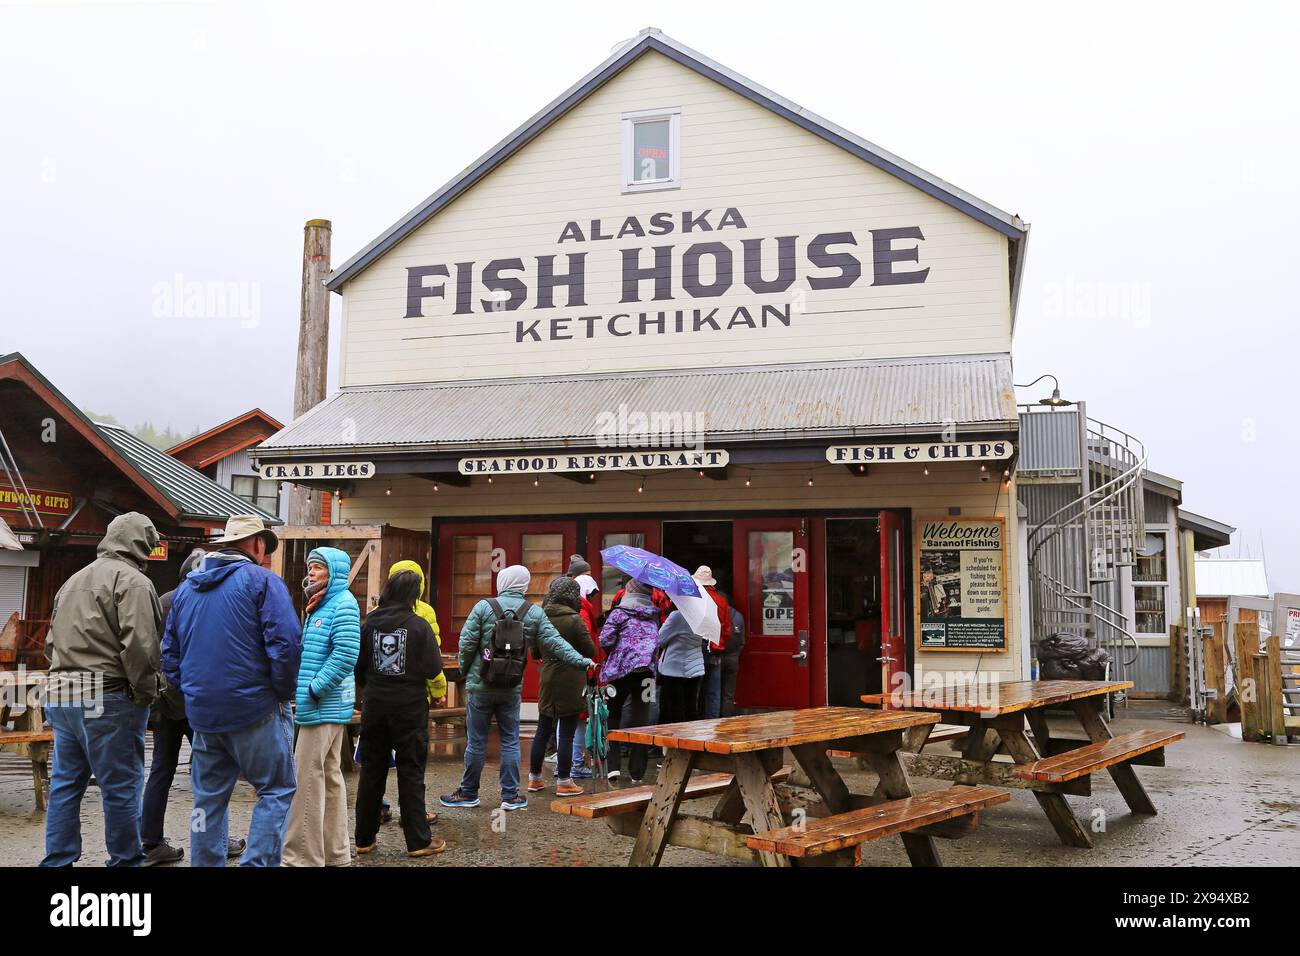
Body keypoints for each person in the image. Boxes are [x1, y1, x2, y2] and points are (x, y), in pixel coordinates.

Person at [161, 515, 302, 867]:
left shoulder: (187, 590)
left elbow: (169, 653)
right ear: (257, 545)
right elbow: (285, 644)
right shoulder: (263, 582)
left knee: (207, 800)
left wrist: (190, 694)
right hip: (255, 708)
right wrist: (282, 692)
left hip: (204, 714)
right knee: (276, 790)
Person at [42, 512, 162, 867]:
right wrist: (145, 694)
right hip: (106, 695)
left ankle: (58, 861)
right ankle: (125, 862)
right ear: (141, 543)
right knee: (121, 786)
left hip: (62, 693)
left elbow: (51, 644)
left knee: (65, 784)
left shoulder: (72, 581)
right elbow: (141, 648)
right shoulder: (133, 582)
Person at [441, 565, 594, 810]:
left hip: (480, 687)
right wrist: (583, 661)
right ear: (524, 585)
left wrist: (464, 670)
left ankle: (469, 792)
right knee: (511, 740)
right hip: (511, 687)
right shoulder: (533, 613)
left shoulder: (483, 607)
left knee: (477, 741)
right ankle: (510, 796)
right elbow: (555, 643)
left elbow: (467, 642)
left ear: (502, 582)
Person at [140, 548, 245, 866]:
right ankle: (218, 841)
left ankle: (151, 841)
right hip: (196, 700)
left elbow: (149, 648)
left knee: (161, 769)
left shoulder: (162, 600)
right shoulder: (203, 599)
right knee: (212, 774)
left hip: (162, 699)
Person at [354, 570, 445, 856]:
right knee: (411, 771)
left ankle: (363, 839)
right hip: (409, 708)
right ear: (414, 595)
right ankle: (418, 841)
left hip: (375, 706)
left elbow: (359, 668)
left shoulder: (369, 624)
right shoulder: (418, 625)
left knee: (371, 771)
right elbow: (433, 668)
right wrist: (439, 692)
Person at [283, 547, 361, 868]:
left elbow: (345, 654)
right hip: (321, 706)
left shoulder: (342, 604)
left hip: (322, 705)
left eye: (318, 567)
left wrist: (315, 688)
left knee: (306, 779)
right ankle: (335, 853)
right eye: (310, 567)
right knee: (329, 777)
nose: (311, 572)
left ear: (335, 572)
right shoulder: (322, 604)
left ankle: (301, 857)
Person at [528, 576, 598, 797]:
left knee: (543, 729)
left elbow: (535, 652)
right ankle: (565, 781)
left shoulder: (539, 618)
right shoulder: (574, 619)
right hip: (571, 679)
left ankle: (534, 779)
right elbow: (590, 651)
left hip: (547, 677)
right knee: (566, 733)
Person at [598, 579, 660, 783]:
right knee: (642, 721)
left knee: (612, 715)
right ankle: (637, 772)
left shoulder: (619, 613)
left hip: (620, 673)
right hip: (646, 674)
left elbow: (604, 640)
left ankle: (613, 766)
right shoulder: (653, 615)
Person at [655, 609, 706, 724]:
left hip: (674, 669)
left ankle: (673, 739)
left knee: (673, 710)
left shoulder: (677, 616)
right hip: (695, 667)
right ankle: (690, 739)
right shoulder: (701, 615)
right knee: (690, 708)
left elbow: (659, 640)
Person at [693, 566, 730, 719]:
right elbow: (727, 629)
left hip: (696, 647)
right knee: (713, 691)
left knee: (695, 690)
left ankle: (694, 724)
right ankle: (712, 724)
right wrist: (719, 645)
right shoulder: (721, 601)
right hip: (715, 649)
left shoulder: (694, 599)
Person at [719, 597, 746, 717]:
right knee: (728, 694)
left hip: (717, 657)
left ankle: (712, 720)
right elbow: (742, 642)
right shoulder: (738, 616)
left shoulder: (715, 613)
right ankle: (726, 719)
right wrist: (735, 655)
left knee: (713, 692)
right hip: (733, 658)